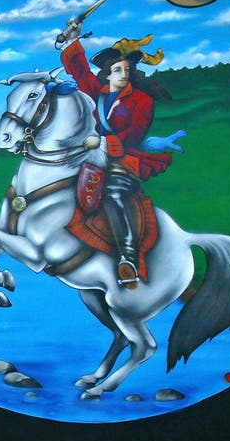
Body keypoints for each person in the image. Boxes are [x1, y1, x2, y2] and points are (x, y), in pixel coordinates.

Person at [59, 24, 172, 287]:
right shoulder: (96, 93)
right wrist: (71, 40)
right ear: (107, 74)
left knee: (114, 192)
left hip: (125, 159)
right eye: (118, 70)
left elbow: (134, 134)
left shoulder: (143, 100)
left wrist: (101, 142)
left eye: (127, 70)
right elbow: (80, 70)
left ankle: (128, 258)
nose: (124, 74)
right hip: (90, 156)